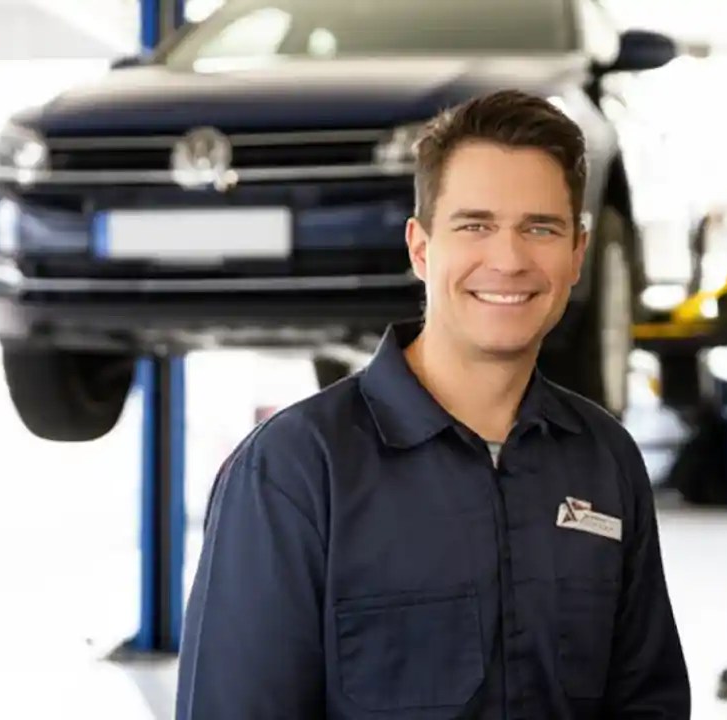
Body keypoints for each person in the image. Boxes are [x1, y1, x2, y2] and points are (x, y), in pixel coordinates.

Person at [175, 89, 690, 719]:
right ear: (420, 248)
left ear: (577, 253)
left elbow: (649, 705)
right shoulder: (295, 472)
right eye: (475, 225)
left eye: (540, 228)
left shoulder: (605, 463)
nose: (508, 259)